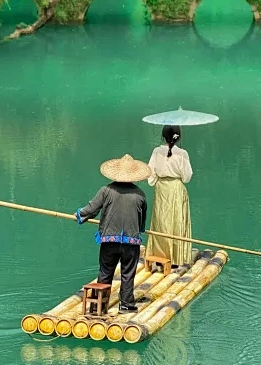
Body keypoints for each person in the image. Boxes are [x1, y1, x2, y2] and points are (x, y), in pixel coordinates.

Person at [75, 154, 149, 313]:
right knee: (128, 274)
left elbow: (91, 209)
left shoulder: (106, 190)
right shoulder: (140, 195)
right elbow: (141, 223)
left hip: (109, 240)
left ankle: (98, 307)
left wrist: (80, 215)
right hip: (131, 242)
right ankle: (126, 304)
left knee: (105, 272)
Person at [147, 125, 193, 266]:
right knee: (177, 220)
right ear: (178, 137)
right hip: (176, 188)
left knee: (161, 221)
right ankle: (175, 258)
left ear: (163, 136)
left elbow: (150, 174)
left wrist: (157, 180)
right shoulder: (182, 153)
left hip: (162, 188)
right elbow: (187, 177)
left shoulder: (156, 151)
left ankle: (161, 255)